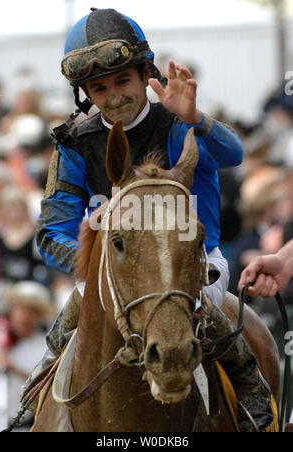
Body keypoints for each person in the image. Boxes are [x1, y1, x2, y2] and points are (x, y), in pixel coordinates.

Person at [24, 8, 273, 432]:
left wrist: (195, 118)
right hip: (114, 268)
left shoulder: (179, 125)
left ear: (145, 76)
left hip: (195, 261)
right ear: (85, 93)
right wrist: (94, 258)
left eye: (123, 80)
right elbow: (51, 233)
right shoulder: (72, 147)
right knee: (71, 316)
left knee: (207, 307)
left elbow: (233, 155)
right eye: (99, 88)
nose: (114, 95)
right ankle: (32, 405)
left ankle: (251, 394)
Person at [0, 281, 56, 431]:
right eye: (19, 309)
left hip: (23, 426)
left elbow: (46, 390)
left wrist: (14, 368)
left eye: (31, 311)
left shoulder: (45, 348)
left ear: (39, 316)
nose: (23, 316)